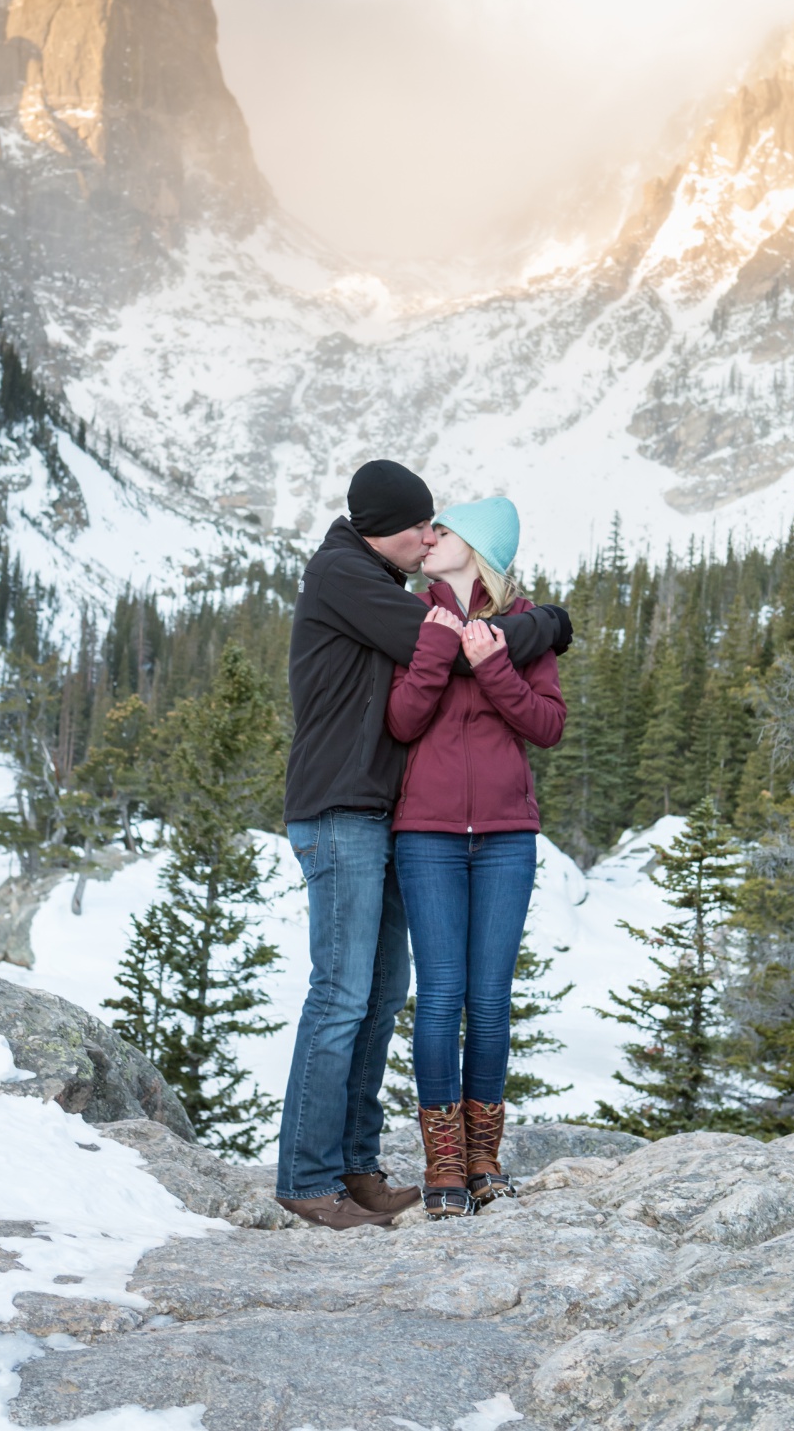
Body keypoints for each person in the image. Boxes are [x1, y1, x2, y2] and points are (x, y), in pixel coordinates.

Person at [275, 460, 572, 1228]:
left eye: (439, 526)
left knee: (377, 998)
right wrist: (546, 626)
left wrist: (533, 628)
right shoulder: (345, 573)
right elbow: (448, 652)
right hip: (343, 807)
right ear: (382, 528)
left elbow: (486, 655)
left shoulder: (382, 580)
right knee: (343, 996)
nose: (427, 535)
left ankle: (356, 1167)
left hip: (380, 813)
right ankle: (309, 1179)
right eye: (419, 525)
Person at [385, 495, 566, 1218]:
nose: (429, 538)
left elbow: (547, 726)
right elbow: (400, 721)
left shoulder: (526, 630)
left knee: (489, 1003)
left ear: (479, 547)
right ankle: (446, 1166)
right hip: (425, 833)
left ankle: (486, 1159)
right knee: (439, 1000)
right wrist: (435, 652)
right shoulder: (412, 619)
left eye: (444, 531)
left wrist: (494, 668)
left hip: (505, 836)